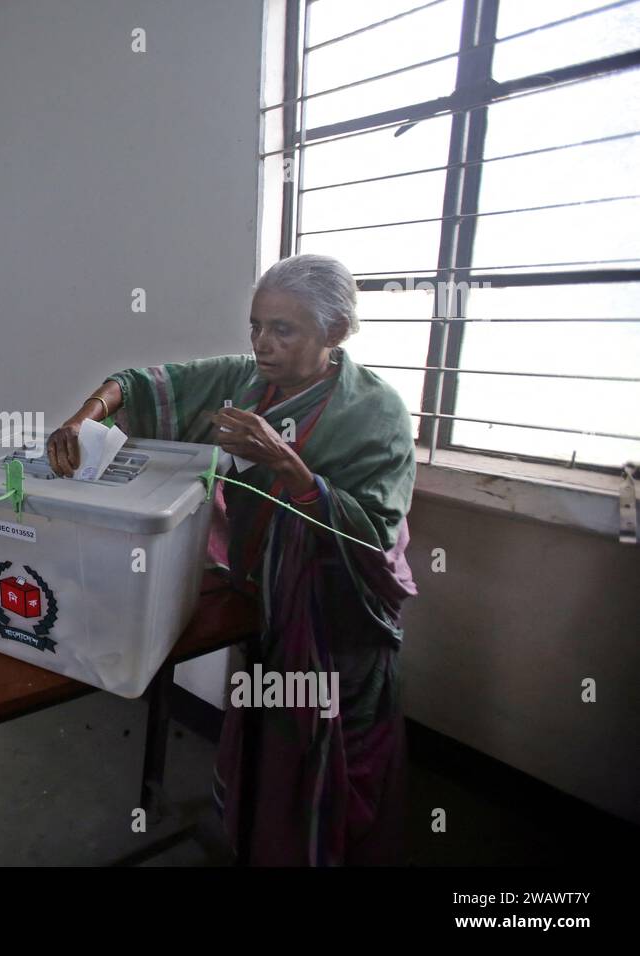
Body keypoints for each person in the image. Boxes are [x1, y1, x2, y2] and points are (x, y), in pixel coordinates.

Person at [47, 253, 418, 866]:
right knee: (269, 737)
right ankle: (265, 841)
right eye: (255, 326)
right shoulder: (247, 385)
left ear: (335, 332)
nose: (262, 344)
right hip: (262, 596)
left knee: (329, 745)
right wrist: (82, 418)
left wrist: (289, 465)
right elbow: (145, 384)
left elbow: (372, 536)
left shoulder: (376, 413)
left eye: (283, 330)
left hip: (337, 619)